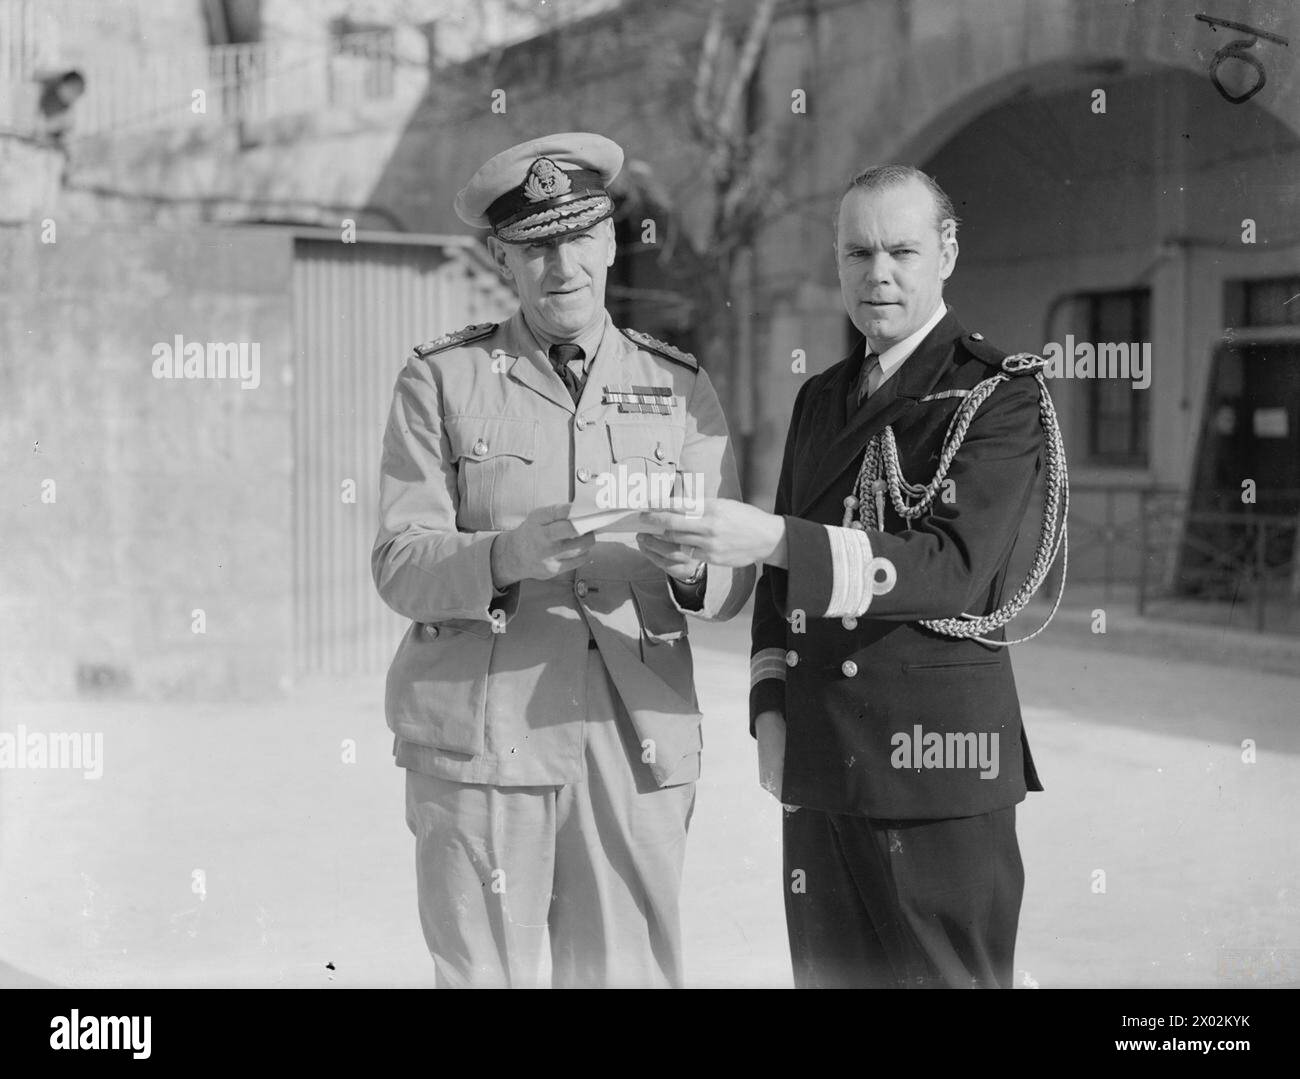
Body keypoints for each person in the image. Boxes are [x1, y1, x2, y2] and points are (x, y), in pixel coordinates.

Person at [645, 164, 1050, 988]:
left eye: (902, 250)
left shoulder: (997, 394)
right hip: (824, 761)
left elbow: (953, 570)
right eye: (858, 252)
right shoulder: (821, 399)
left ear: (947, 251)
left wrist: (774, 536)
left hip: (936, 768)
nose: (879, 274)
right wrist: (768, 710)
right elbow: (781, 585)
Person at [371, 132, 755, 988]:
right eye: (537, 246)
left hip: (633, 737)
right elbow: (399, 560)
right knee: (482, 974)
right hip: (481, 738)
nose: (562, 267)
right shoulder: (441, 380)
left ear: (612, 241)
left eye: (579, 237)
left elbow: (732, 582)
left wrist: (692, 566)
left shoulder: (680, 385)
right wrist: (506, 554)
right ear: (504, 257)